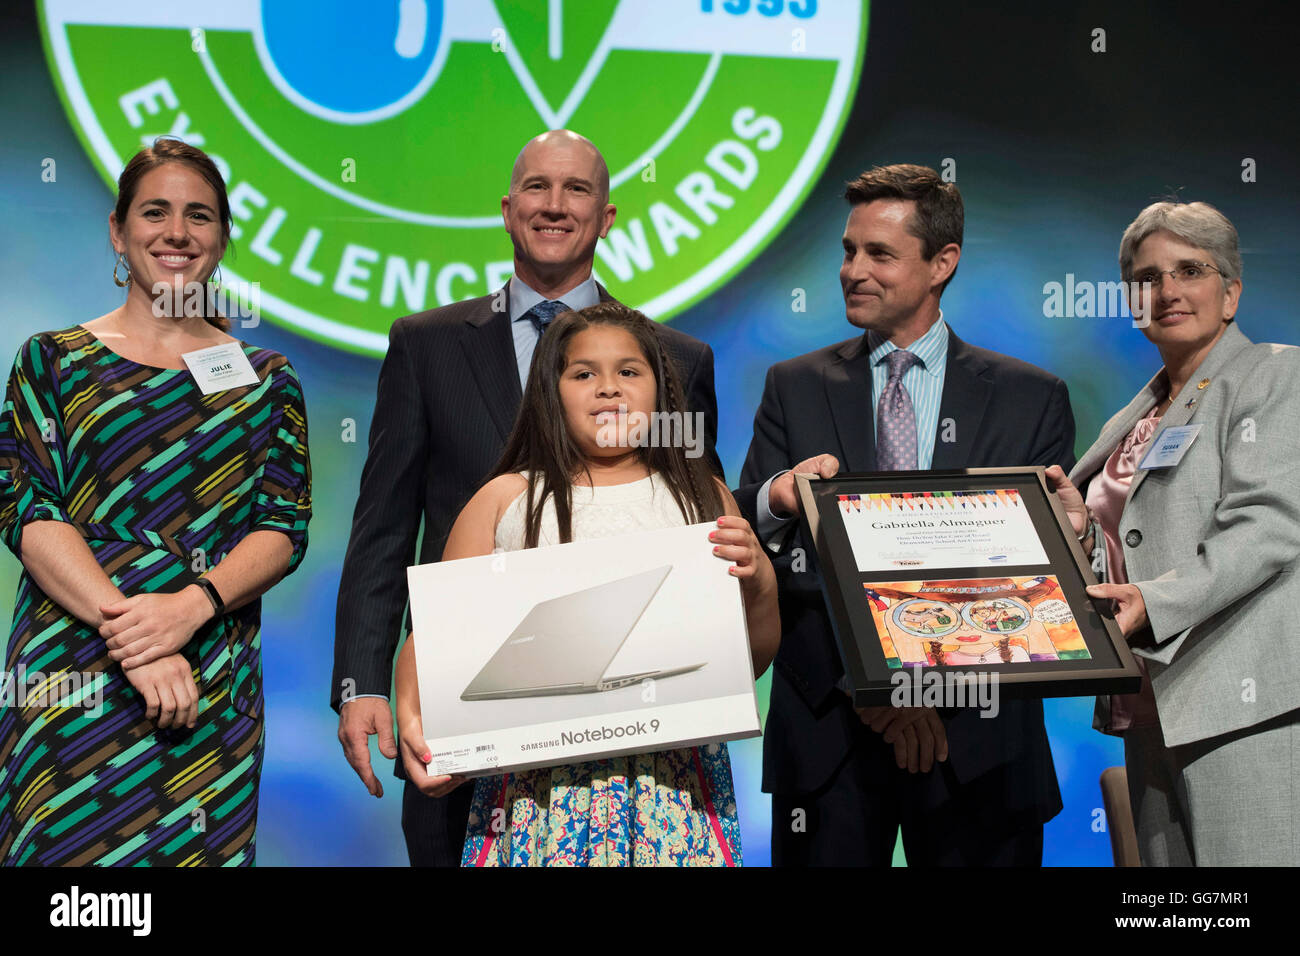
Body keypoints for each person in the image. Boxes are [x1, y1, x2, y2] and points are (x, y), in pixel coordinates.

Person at [332, 130, 722, 867]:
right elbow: (382, 527)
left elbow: (698, 525)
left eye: (576, 189)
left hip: (639, 732)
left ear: (606, 217)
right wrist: (361, 682)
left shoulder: (678, 360)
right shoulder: (426, 344)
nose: (555, 205)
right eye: (537, 188)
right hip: (463, 705)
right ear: (508, 210)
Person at [734, 164, 1074, 866]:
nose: (853, 270)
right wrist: (776, 497)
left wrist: (918, 687)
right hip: (829, 734)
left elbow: (1020, 584)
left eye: (879, 254)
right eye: (848, 250)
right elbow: (758, 549)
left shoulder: (1030, 397)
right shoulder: (793, 385)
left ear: (942, 263)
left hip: (979, 745)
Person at [0, 137, 312, 866]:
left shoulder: (265, 377)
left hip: (209, 681)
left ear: (222, 236)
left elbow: (283, 527)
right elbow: (26, 507)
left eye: (199, 215)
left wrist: (189, 608)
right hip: (70, 678)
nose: (177, 232)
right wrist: (134, 636)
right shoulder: (51, 360)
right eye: (156, 212)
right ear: (118, 230)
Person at [393, 302, 777, 866]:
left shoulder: (703, 496)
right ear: (552, 392)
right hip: (536, 798)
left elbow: (754, 657)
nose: (607, 389)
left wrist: (761, 580)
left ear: (661, 390)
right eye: (582, 374)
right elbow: (432, 636)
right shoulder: (505, 499)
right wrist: (412, 718)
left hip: (673, 792)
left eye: (628, 371)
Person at [1046, 200, 1300, 866]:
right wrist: (1079, 533)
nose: (1168, 291)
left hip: (1244, 709)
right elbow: (1129, 547)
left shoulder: (1276, 374)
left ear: (1231, 291)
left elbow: (1271, 523)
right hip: (1152, 708)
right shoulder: (1134, 415)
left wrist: (1155, 604)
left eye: (1191, 269)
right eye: (1148, 277)